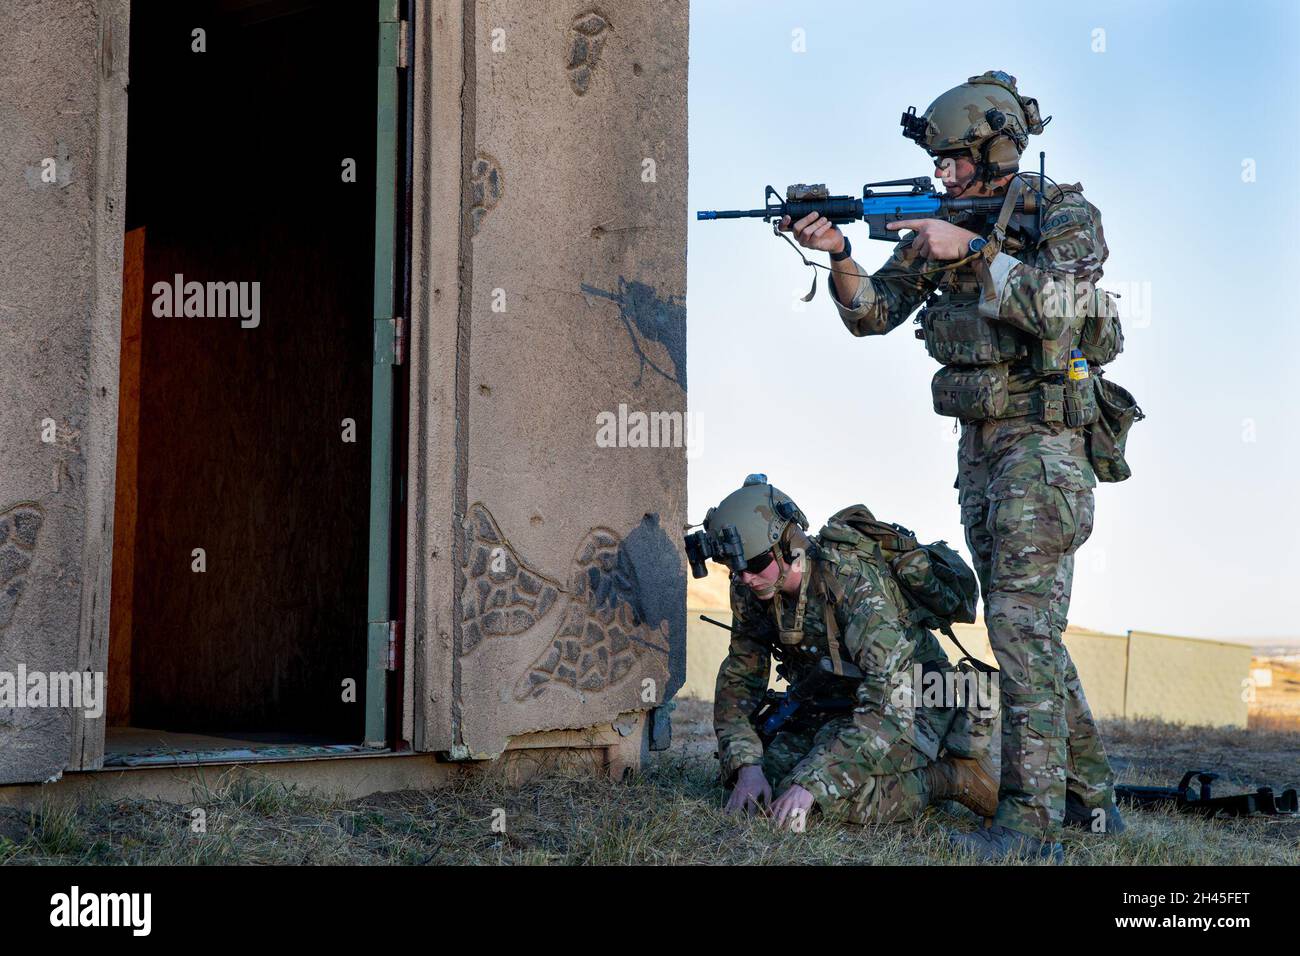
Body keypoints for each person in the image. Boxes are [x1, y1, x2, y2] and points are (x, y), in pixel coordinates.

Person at [779, 71, 1123, 862]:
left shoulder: (1062, 215)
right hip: (981, 453)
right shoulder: (938, 225)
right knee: (1026, 629)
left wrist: (973, 249)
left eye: (951, 159)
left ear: (994, 149)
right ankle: (1095, 802)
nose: (939, 173)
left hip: (1044, 449)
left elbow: (1067, 311)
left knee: (1020, 632)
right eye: (935, 161)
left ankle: (1031, 828)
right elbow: (873, 313)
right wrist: (838, 254)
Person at [687, 475, 997, 832]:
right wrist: (746, 766)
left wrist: (814, 782)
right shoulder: (748, 590)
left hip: (912, 702)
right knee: (765, 786)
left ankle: (951, 777)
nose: (744, 578)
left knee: (826, 797)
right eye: (733, 567)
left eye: (754, 564)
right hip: (835, 705)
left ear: (788, 545)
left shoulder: (852, 584)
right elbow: (739, 680)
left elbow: (887, 704)